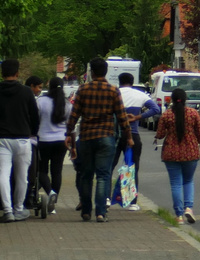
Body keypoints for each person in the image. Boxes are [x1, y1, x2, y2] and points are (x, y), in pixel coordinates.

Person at [66, 58, 128, 223]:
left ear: (91, 72)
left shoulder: (83, 89)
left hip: (86, 137)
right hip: (106, 138)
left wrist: (68, 133)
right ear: (106, 72)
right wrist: (128, 137)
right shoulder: (113, 91)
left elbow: (74, 115)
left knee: (86, 175)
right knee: (103, 175)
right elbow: (122, 117)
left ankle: (86, 211)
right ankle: (101, 213)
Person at [154, 88, 200, 223]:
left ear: (171, 99)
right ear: (185, 99)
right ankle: (188, 208)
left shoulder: (167, 115)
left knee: (176, 184)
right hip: (191, 152)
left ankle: (179, 216)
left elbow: (160, 134)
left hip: (171, 153)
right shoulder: (193, 113)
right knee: (188, 181)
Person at [0, 60, 36, 222]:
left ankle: (7, 210)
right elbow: (34, 115)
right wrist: (33, 133)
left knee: (3, 174)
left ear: (2, 73)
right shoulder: (26, 92)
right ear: (17, 73)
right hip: (22, 138)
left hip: (2, 138)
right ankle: (19, 208)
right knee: (22, 176)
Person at [118, 73, 155, 206]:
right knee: (133, 167)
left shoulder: (114, 93)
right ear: (132, 82)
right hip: (133, 135)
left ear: (119, 82)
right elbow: (155, 109)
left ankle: (106, 199)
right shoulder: (140, 95)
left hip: (115, 134)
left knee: (109, 167)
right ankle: (132, 202)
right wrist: (138, 117)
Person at [33, 77, 68, 215]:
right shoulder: (66, 104)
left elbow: (35, 119)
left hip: (43, 140)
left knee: (41, 170)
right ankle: (53, 203)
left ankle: (50, 192)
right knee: (57, 171)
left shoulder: (41, 101)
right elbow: (70, 125)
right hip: (61, 141)